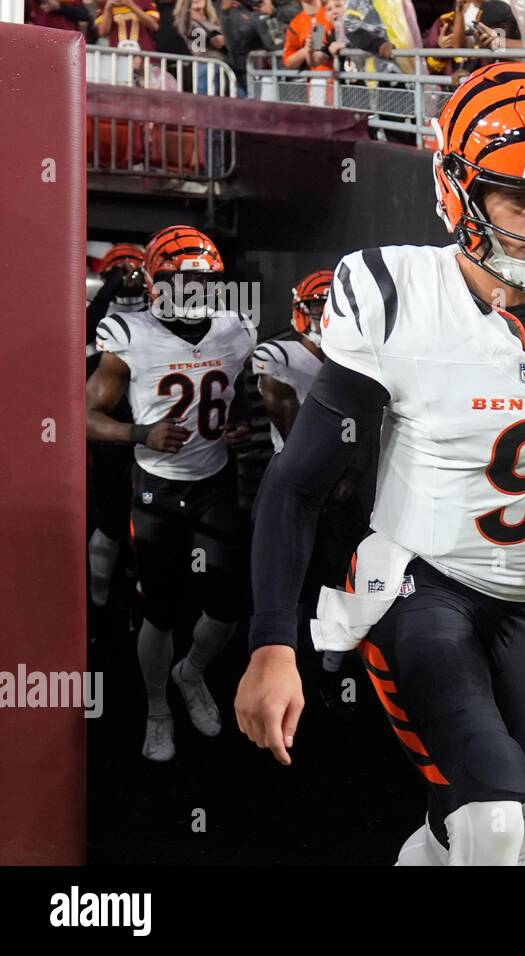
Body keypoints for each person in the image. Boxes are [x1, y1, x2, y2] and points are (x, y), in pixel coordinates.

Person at [235, 63, 525, 866]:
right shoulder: (396, 292)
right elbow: (297, 484)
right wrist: (272, 641)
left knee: (459, 820)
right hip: (417, 583)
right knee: (500, 821)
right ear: (458, 191)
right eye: (518, 197)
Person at [87, 225, 257, 762]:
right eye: (179, 281)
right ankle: (157, 707)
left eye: (200, 282)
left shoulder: (235, 328)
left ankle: (192, 674)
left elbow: (237, 399)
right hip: (156, 489)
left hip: (214, 483)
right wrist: (142, 433)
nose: (191, 291)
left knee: (229, 607)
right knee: (160, 612)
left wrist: (240, 427)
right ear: (158, 283)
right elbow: (84, 414)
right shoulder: (129, 332)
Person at [252, 270, 372, 717]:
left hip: (348, 485)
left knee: (342, 574)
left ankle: (330, 664)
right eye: (316, 309)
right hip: (295, 481)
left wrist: (351, 472)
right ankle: (290, 662)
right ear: (300, 313)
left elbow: (366, 427)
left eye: (331, 309)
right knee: (291, 574)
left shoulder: (361, 353)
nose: (324, 318)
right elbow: (289, 420)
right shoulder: (275, 354)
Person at [86, 244, 149, 614]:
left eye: (134, 269)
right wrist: (112, 284)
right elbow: (85, 330)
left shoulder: (153, 314)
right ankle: (98, 599)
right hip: (110, 428)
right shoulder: (96, 313)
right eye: (119, 270)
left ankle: (143, 592)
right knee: (110, 520)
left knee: (149, 520)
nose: (129, 276)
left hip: (150, 423)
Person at [173, 0, 228, 92]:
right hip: (205, 67)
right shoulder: (187, 21)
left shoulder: (213, 20)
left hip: (224, 65)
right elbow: (185, 27)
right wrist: (187, 6)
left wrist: (224, 39)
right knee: (208, 102)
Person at [97, 0, 162, 49]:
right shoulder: (104, 2)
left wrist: (131, 5)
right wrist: (108, 7)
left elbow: (155, 26)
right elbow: (102, 33)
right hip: (117, 56)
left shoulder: (145, 1)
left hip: (145, 55)